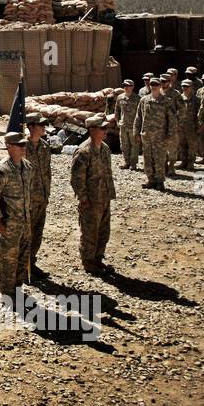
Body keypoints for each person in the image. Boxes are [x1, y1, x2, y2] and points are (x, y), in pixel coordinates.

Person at [0, 132, 33, 304]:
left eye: (24, 144)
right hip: (9, 223)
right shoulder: (1, 170)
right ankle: (6, 292)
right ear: (9, 147)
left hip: (25, 222)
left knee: (22, 255)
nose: (23, 148)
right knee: (8, 258)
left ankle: (17, 287)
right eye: (19, 145)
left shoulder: (26, 167)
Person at [71, 116, 116, 274]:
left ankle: (98, 258)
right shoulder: (83, 152)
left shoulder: (105, 149)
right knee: (90, 232)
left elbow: (107, 173)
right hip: (90, 201)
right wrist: (83, 199)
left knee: (104, 231)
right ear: (92, 130)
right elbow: (77, 179)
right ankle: (89, 262)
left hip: (104, 198)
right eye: (102, 128)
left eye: (105, 128)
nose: (105, 131)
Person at [22, 114, 52, 280]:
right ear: (31, 126)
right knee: (26, 234)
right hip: (28, 199)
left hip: (42, 197)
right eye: (40, 125)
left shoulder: (45, 147)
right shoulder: (22, 148)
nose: (43, 127)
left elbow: (47, 172)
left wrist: (47, 192)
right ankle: (23, 267)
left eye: (44, 125)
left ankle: (31, 263)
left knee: (37, 232)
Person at [132, 77, 175, 190]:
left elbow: (172, 120)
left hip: (160, 136)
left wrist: (170, 135)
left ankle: (160, 181)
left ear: (160, 85)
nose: (154, 86)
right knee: (147, 159)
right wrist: (136, 132)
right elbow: (138, 117)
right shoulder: (144, 100)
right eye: (152, 84)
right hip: (146, 135)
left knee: (160, 158)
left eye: (156, 84)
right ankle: (151, 180)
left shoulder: (167, 101)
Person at [114, 79, 139, 169]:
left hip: (133, 126)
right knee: (124, 145)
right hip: (123, 125)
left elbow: (140, 113)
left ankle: (133, 164)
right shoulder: (120, 97)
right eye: (124, 85)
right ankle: (126, 162)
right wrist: (117, 121)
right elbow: (117, 110)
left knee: (134, 145)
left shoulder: (137, 98)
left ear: (132, 87)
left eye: (128, 86)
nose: (126, 87)